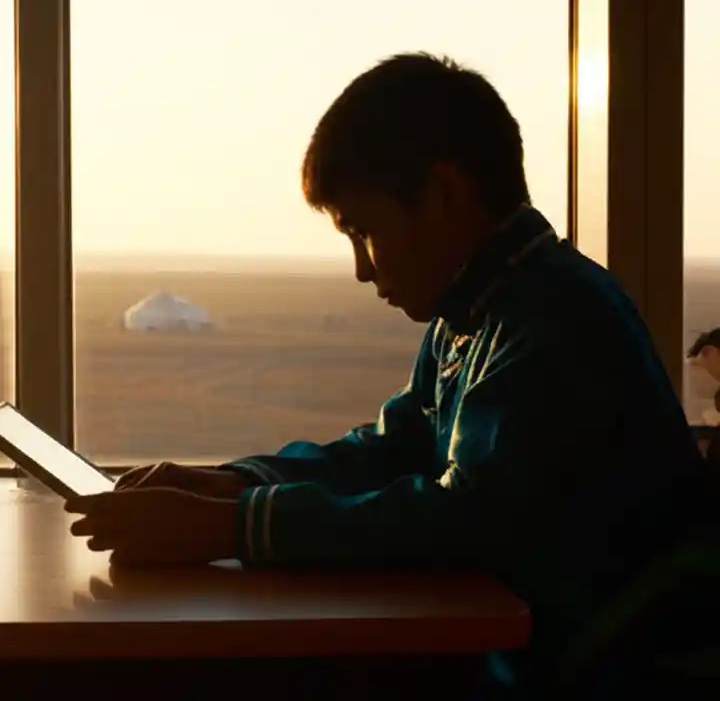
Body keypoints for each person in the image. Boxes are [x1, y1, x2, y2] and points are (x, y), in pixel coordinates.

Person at [65, 53, 712, 696]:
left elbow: (466, 520)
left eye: (363, 231)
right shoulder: (479, 311)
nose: (362, 269)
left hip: (609, 673)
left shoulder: (557, 320)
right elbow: (393, 448)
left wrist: (226, 528)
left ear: (442, 196)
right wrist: (234, 483)